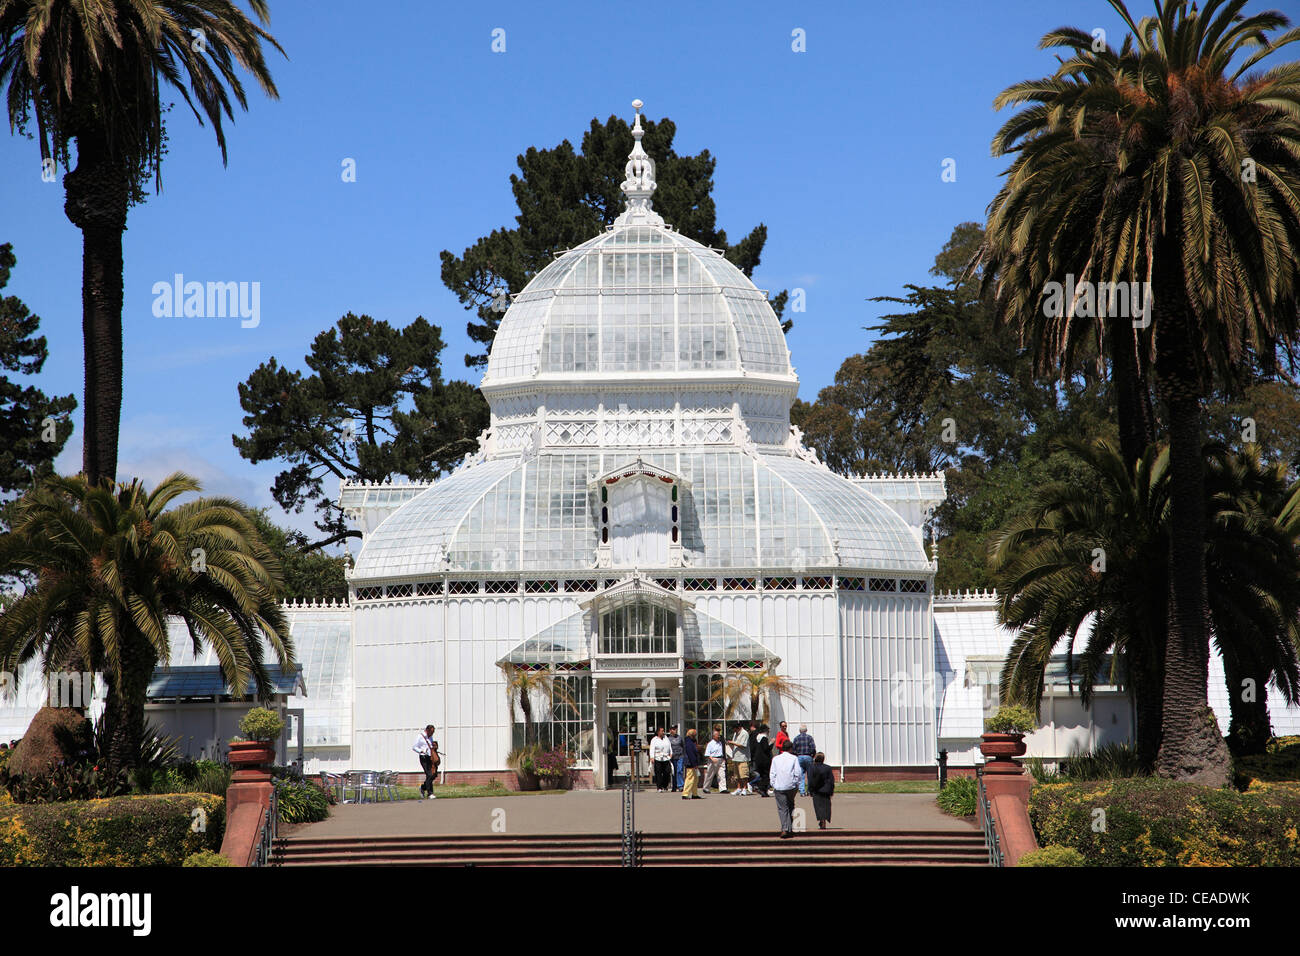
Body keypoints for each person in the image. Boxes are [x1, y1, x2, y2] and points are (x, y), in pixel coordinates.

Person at [770, 740, 801, 838]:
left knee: (782, 808)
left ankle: (785, 828)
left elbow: (772, 773)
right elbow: (798, 772)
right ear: (791, 748)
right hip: (791, 786)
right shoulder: (794, 758)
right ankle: (789, 827)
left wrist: (773, 784)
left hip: (779, 786)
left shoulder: (775, 759)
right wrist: (796, 783)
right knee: (790, 805)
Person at [807, 752, 835, 829]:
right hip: (826, 790)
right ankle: (824, 820)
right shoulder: (828, 768)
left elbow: (810, 780)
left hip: (816, 790)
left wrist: (810, 790)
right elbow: (831, 780)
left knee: (818, 806)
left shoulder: (811, 767)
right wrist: (831, 791)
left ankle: (821, 820)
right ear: (823, 759)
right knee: (826, 806)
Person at [411, 724, 437, 799]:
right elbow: (414, 747)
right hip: (423, 757)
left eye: (433, 732)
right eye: (431, 732)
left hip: (430, 757)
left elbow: (430, 746)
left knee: (432, 774)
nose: (432, 734)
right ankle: (430, 793)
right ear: (427, 730)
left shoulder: (430, 737)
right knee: (429, 774)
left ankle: (423, 788)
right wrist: (421, 751)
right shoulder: (420, 736)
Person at [727, 722, 751, 796]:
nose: (734, 731)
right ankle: (738, 788)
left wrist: (732, 743)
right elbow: (735, 744)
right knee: (737, 775)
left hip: (743, 757)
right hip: (736, 757)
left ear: (739, 728)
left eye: (735, 729)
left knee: (743, 774)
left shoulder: (745, 733)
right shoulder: (735, 734)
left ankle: (744, 788)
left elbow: (743, 745)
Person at [792, 724, 816, 796]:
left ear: (799, 731)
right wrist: (812, 755)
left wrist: (797, 754)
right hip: (808, 756)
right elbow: (813, 748)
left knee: (801, 775)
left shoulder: (796, 738)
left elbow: (793, 749)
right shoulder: (809, 738)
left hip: (799, 756)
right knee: (810, 775)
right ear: (806, 730)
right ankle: (809, 791)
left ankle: (802, 792)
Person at [700, 729, 727, 793]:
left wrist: (723, 758)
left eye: (719, 735)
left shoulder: (720, 743)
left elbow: (722, 751)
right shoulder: (710, 744)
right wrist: (712, 759)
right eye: (717, 735)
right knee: (710, 774)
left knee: (722, 774)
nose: (718, 737)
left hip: (720, 759)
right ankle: (706, 788)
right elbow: (707, 754)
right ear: (713, 736)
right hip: (713, 760)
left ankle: (723, 788)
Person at [649, 727, 673, 792]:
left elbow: (669, 746)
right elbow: (652, 748)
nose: (663, 732)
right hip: (657, 757)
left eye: (663, 731)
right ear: (658, 732)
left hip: (666, 758)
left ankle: (665, 786)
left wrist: (671, 753)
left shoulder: (666, 738)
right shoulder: (654, 739)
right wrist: (652, 757)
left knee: (667, 772)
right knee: (658, 773)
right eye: (662, 731)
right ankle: (659, 787)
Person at [751, 723, 772, 797]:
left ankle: (760, 788)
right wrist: (771, 744)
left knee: (761, 775)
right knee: (766, 775)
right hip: (764, 759)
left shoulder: (757, 737)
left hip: (757, 758)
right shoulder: (764, 738)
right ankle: (763, 789)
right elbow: (766, 749)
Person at [682, 728, 702, 799]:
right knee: (690, 778)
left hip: (693, 763)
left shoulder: (692, 741)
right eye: (695, 734)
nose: (696, 736)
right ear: (692, 735)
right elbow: (691, 754)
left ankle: (694, 793)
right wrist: (695, 764)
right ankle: (685, 793)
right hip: (690, 763)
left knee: (695, 779)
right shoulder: (689, 743)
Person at [667, 725, 684, 792]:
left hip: (680, 756)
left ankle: (680, 786)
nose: (673, 730)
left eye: (674, 729)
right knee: (674, 772)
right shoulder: (668, 739)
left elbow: (683, 746)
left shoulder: (680, 738)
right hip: (672, 757)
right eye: (671, 729)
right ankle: (674, 786)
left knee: (679, 770)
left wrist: (684, 755)